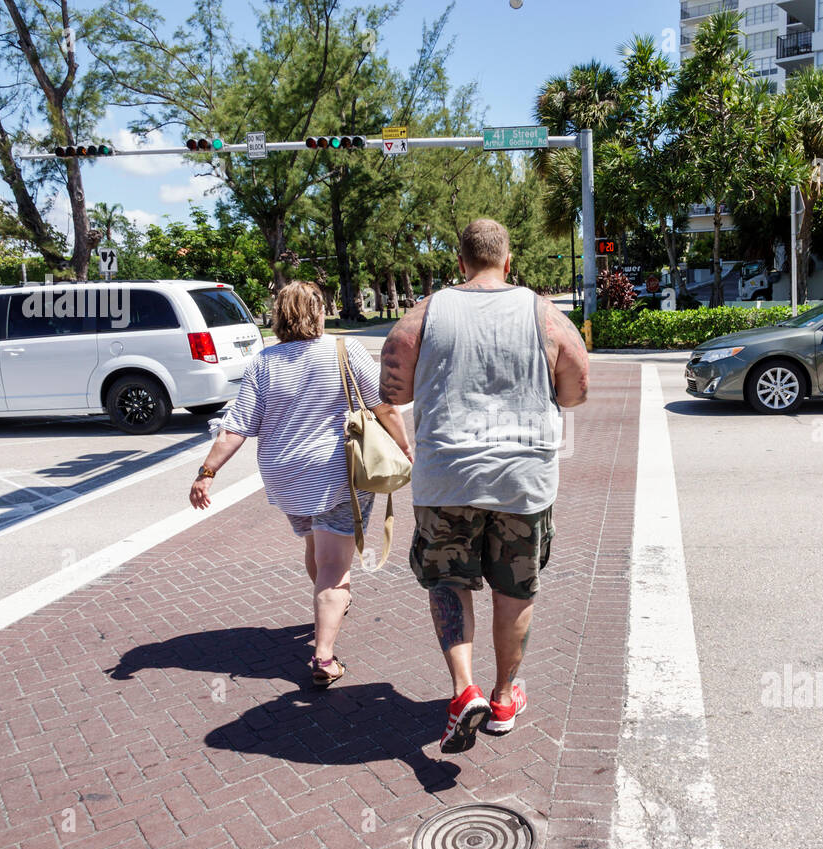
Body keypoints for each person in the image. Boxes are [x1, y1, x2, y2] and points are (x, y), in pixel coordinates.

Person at [381, 218, 590, 753]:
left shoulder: (425, 314)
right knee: (514, 587)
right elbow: (575, 390)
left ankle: (462, 689)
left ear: (460, 263)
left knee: (448, 581)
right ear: (509, 261)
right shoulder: (543, 313)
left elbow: (392, 388)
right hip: (523, 479)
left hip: (446, 477)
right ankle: (502, 697)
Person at [190, 281, 412, 688]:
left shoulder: (264, 362)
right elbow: (384, 407)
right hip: (336, 475)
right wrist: (405, 447)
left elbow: (236, 427)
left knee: (316, 544)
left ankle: (330, 602)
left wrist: (207, 473)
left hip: (286, 478)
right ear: (319, 311)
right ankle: (324, 657)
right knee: (333, 566)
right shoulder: (344, 351)